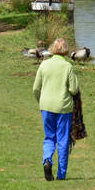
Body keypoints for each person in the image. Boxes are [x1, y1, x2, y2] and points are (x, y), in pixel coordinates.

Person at [33, 38, 80, 182]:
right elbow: (73, 89)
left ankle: (47, 160)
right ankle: (61, 174)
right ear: (66, 50)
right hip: (63, 107)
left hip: (46, 106)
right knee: (63, 140)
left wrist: (40, 101)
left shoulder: (44, 64)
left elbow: (36, 88)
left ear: (52, 49)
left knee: (49, 137)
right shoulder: (67, 66)